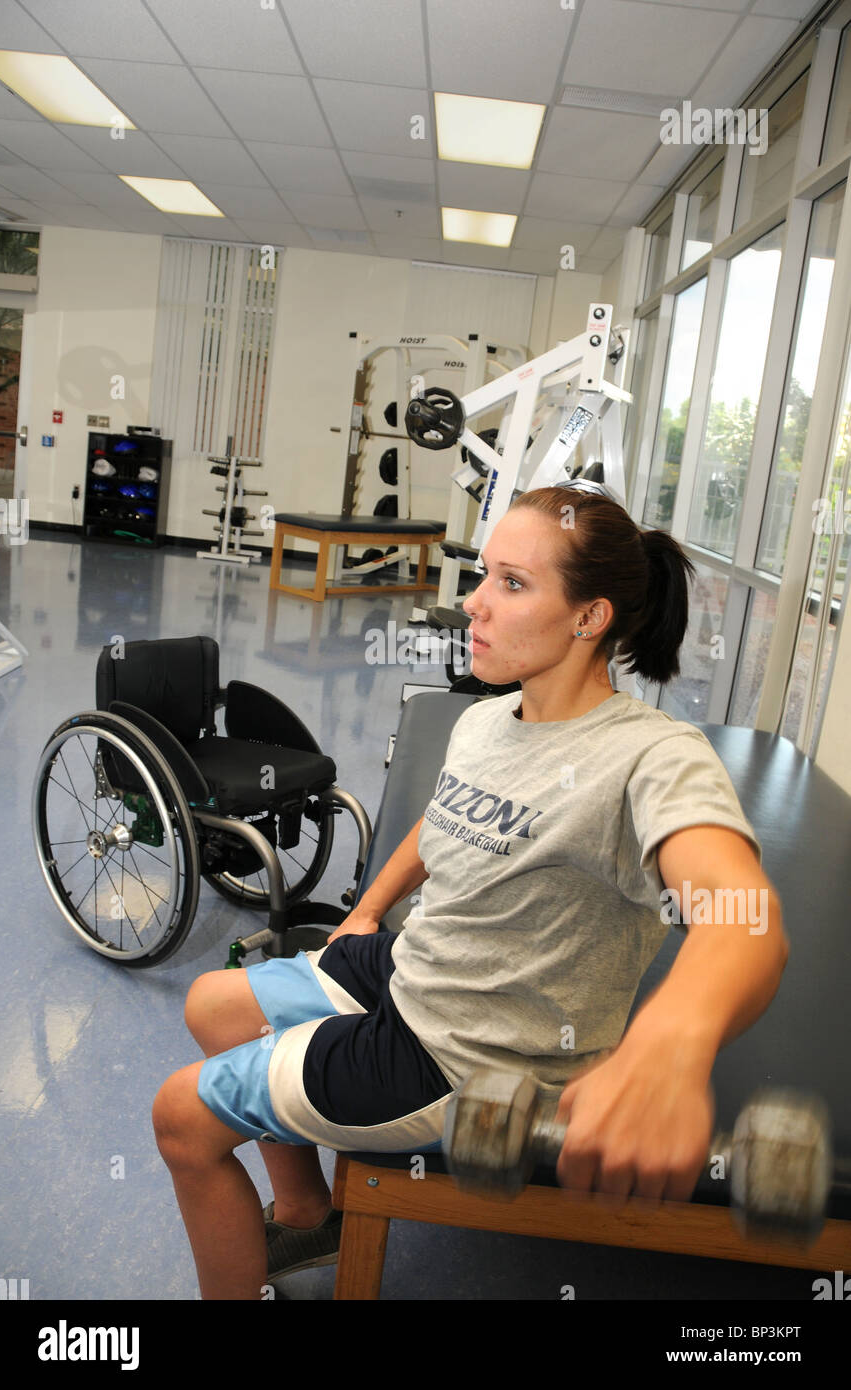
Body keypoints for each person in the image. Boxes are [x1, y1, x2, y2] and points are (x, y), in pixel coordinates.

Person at [152, 485, 788, 1300]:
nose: (474, 605)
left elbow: (745, 920)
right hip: (424, 967)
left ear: (589, 618)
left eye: (512, 584)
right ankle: (311, 1213)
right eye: (483, 575)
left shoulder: (652, 760)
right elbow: (440, 819)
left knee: (181, 1118)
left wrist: (668, 1045)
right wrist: (368, 909)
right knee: (210, 1002)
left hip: (474, 1054)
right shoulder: (488, 719)